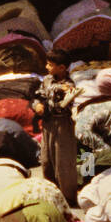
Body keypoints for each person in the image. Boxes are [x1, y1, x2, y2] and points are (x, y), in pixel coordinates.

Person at [33, 50, 79, 203]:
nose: (46, 67)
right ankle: (51, 195)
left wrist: (48, 103)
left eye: (50, 65)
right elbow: (38, 95)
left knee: (63, 162)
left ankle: (68, 198)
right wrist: (37, 105)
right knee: (47, 160)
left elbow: (61, 106)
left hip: (61, 125)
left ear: (62, 68)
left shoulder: (70, 86)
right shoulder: (46, 80)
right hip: (47, 125)